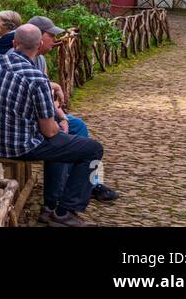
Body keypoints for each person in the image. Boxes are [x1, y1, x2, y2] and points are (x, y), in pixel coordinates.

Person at [0, 23, 104, 227]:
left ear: (14, 43)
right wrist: (60, 125)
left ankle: (52, 205)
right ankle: (65, 211)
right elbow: (49, 131)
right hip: (20, 147)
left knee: (64, 143)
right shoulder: (37, 78)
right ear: (39, 46)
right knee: (93, 149)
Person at [25, 16, 120, 203]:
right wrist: (58, 115)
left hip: (47, 114)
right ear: (38, 37)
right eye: (51, 35)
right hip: (35, 120)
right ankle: (63, 196)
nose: (55, 40)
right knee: (66, 140)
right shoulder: (22, 61)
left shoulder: (40, 60)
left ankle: (93, 183)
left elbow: (46, 95)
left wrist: (62, 116)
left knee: (78, 126)